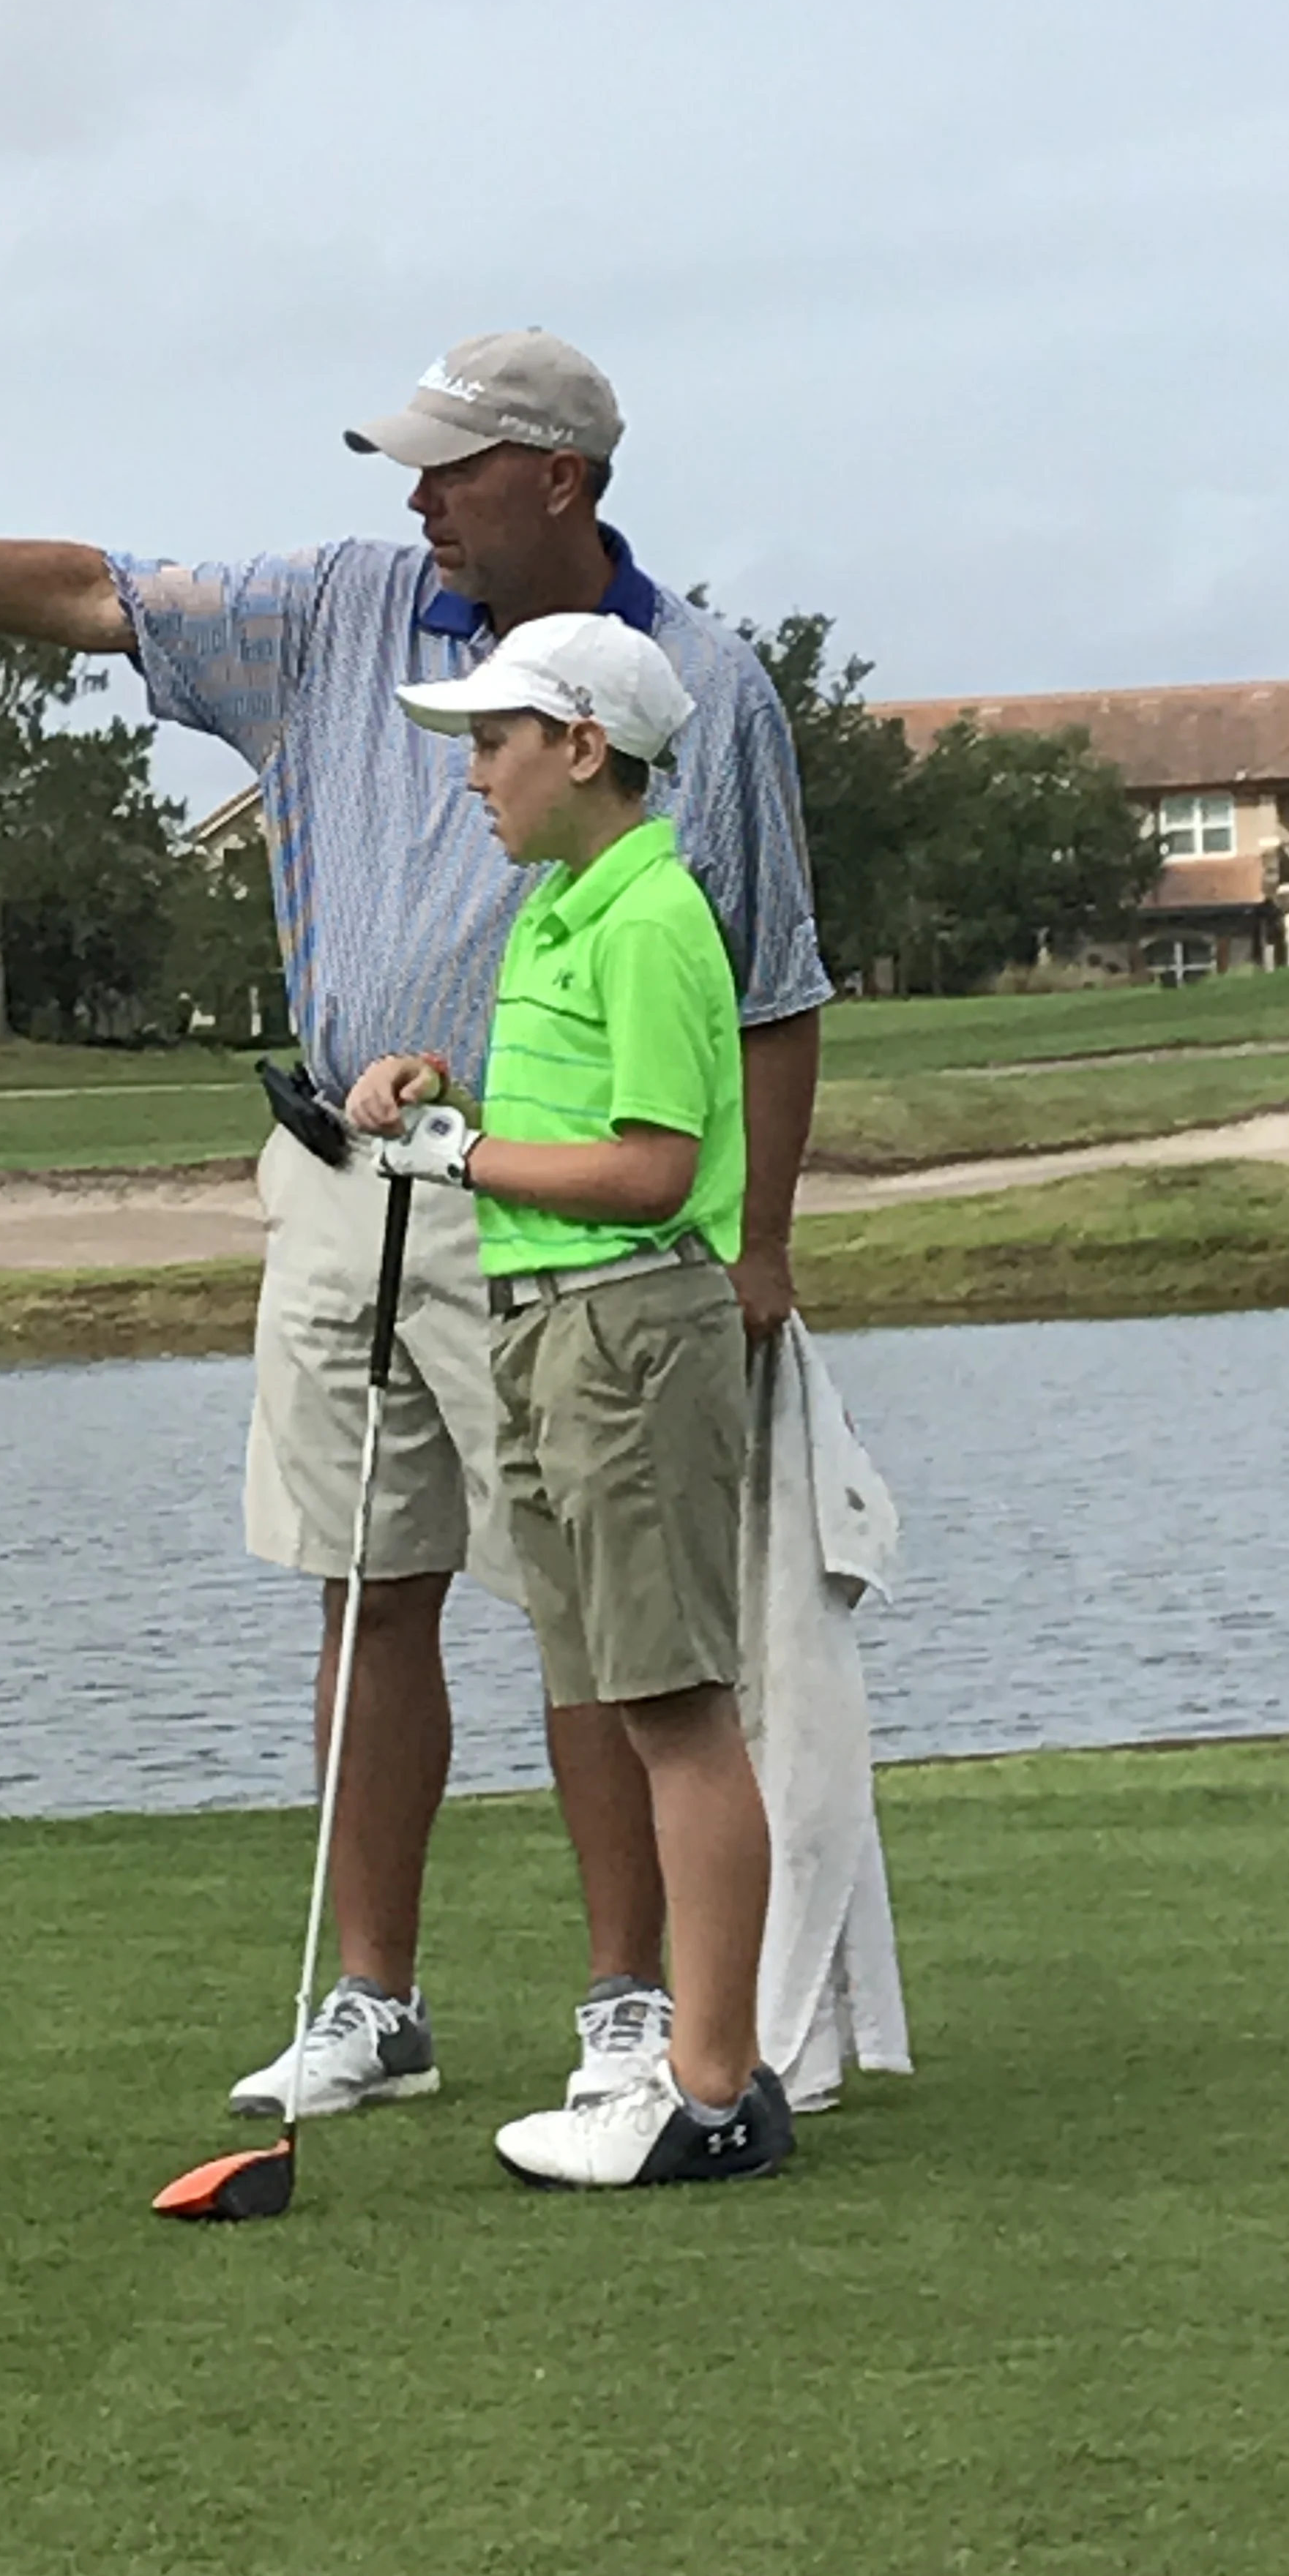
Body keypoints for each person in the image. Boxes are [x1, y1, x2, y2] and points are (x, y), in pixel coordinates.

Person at [0, 326, 832, 2123]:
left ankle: (622, 2009)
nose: (417, 499)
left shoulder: (699, 685)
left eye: (452, 467)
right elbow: (93, 591)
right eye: (410, 468)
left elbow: (777, 998)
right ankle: (377, 2001)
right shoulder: (336, 611)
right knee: (365, 1592)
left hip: (561, 1216)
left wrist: (759, 1254)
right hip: (351, 1174)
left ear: (564, 481)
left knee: (592, 1620)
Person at [355, 606, 791, 2184]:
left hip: (632, 1329)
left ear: (584, 747)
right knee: (620, 1687)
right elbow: (572, 1127)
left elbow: (657, 1170)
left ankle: (713, 2091)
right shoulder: (557, 909)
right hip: (550, 1327)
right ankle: (681, 2065)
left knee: (676, 1706)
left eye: (493, 743)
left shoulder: (652, 915)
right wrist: (446, 1097)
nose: (473, 778)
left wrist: (459, 1160)